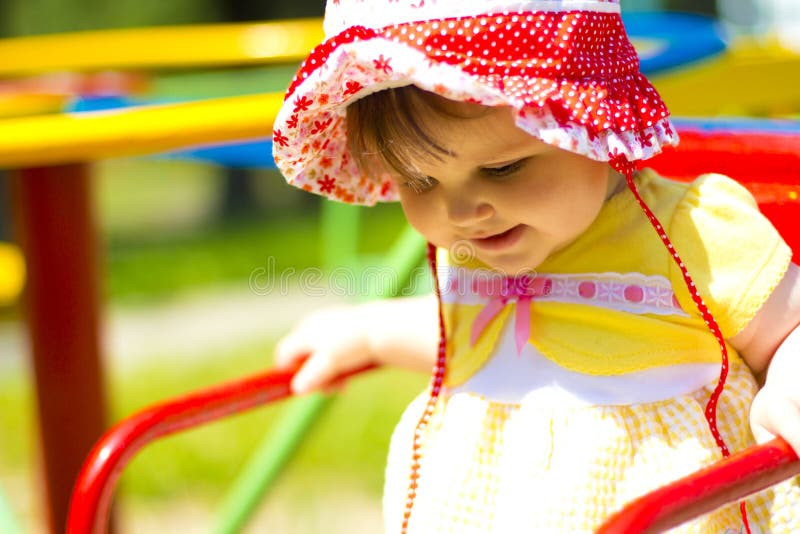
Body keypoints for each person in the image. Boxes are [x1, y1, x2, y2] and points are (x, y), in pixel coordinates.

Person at [271, 0, 800, 532]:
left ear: (593, 125)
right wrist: (369, 332)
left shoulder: (691, 233)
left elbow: (789, 326)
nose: (461, 212)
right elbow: (473, 334)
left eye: (503, 168)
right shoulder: (472, 252)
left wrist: (791, 381)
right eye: (419, 182)